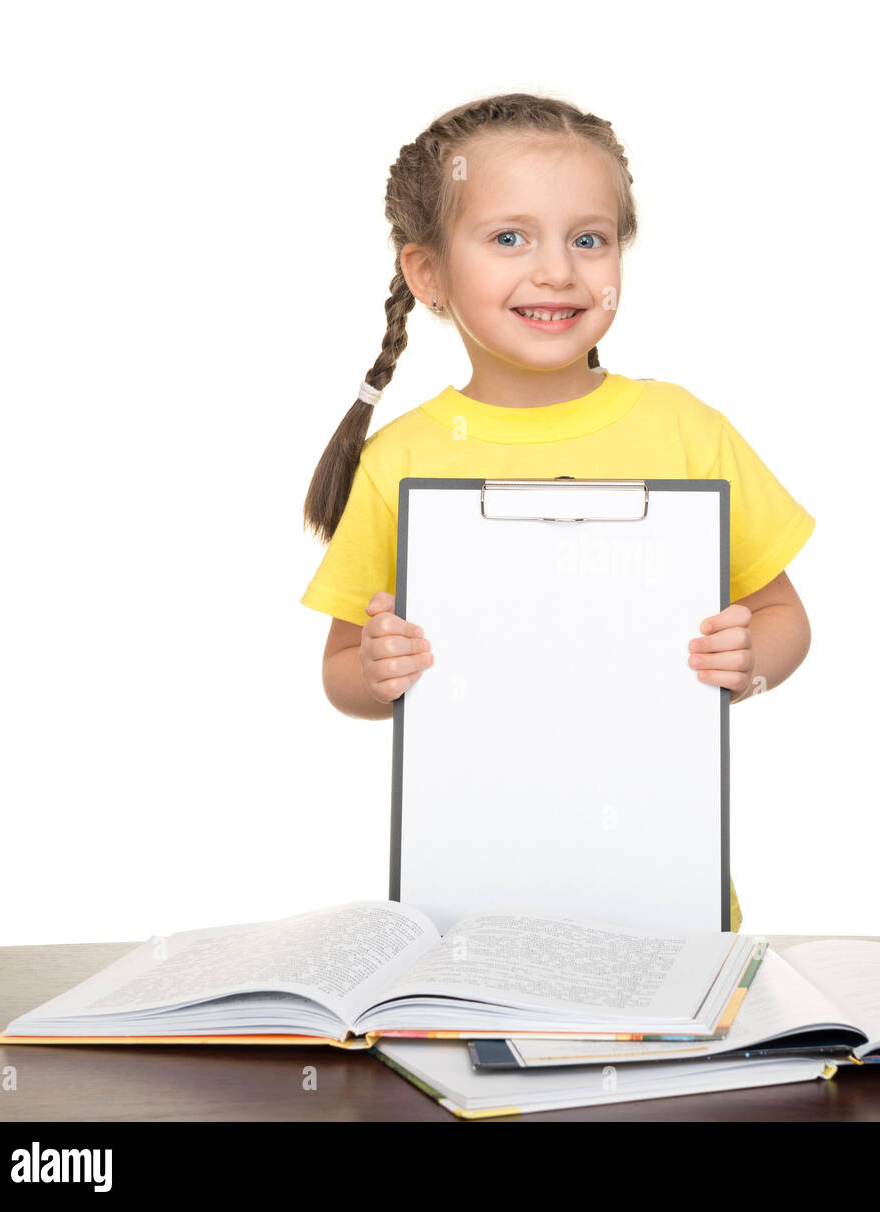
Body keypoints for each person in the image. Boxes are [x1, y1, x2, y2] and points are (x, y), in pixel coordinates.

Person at [300, 93, 814, 933]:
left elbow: (785, 614)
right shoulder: (402, 460)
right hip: (464, 906)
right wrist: (380, 671)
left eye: (589, 238)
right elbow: (343, 672)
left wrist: (750, 659)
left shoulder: (684, 428)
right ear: (426, 273)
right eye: (509, 238)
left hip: (668, 894)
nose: (557, 272)